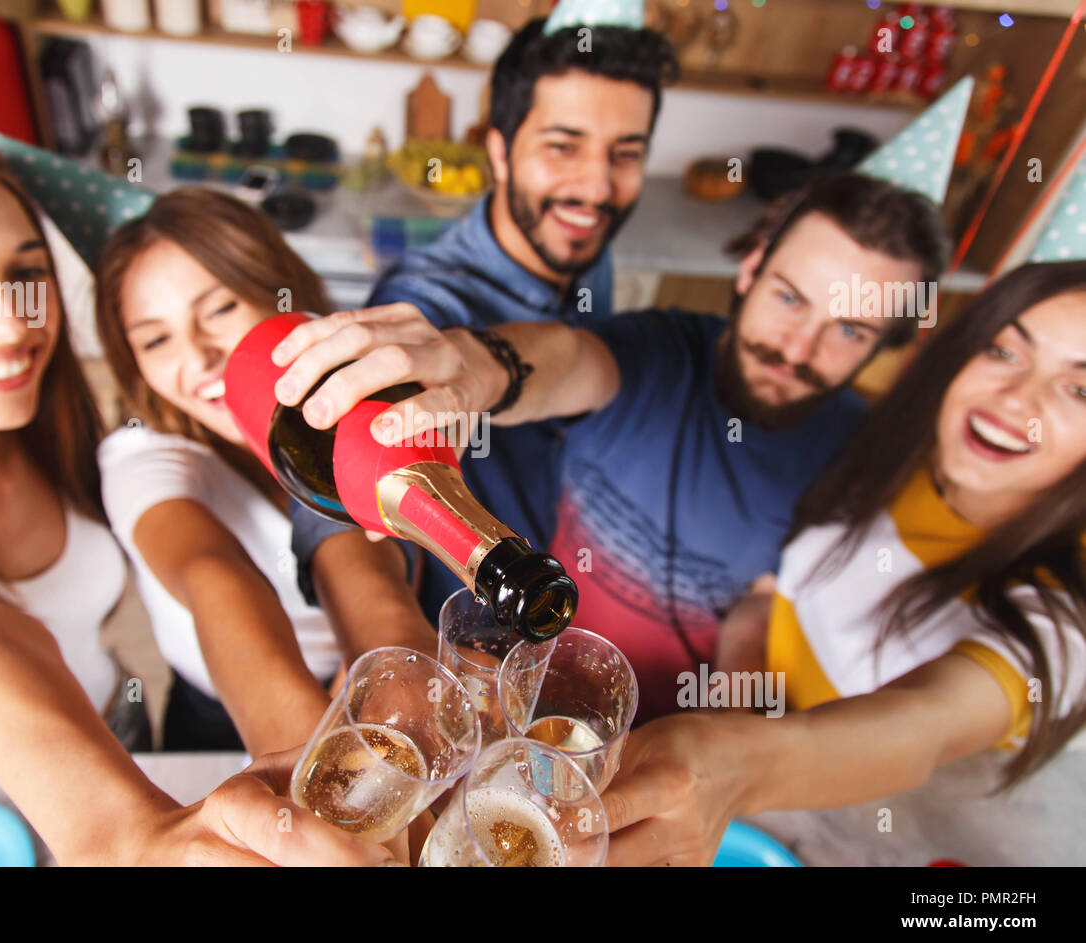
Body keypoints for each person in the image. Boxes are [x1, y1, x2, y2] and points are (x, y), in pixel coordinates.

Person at [0, 124, 391, 866]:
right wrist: (117, 834)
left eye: (24, 273)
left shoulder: (57, 438)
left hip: (129, 743)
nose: (10, 322)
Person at [271, 172, 950, 720]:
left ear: (889, 341)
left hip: (659, 729)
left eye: (852, 332)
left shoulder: (859, 451)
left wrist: (731, 719)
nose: (797, 350)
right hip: (509, 686)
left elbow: (767, 595)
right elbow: (566, 359)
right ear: (751, 269)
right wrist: (480, 365)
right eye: (790, 298)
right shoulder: (656, 350)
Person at [597, 261, 1086, 865]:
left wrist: (731, 762)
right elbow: (770, 598)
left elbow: (919, 732)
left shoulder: (1062, 618)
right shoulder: (889, 439)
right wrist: (729, 713)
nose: (1016, 401)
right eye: (1004, 352)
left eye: (1079, 389)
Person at [285, 16, 680, 624]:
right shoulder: (425, 301)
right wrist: (385, 633)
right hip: (469, 624)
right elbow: (337, 484)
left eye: (625, 155)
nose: (597, 188)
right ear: (498, 149)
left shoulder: (582, 253)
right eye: (563, 146)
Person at [93, 187, 433, 755]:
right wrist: (310, 756)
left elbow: (368, 547)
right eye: (156, 340)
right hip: (219, 720)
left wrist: (369, 661)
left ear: (283, 294)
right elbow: (213, 575)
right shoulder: (141, 459)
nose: (200, 357)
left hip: (360, 675)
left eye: (220, 309)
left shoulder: (353, 389)